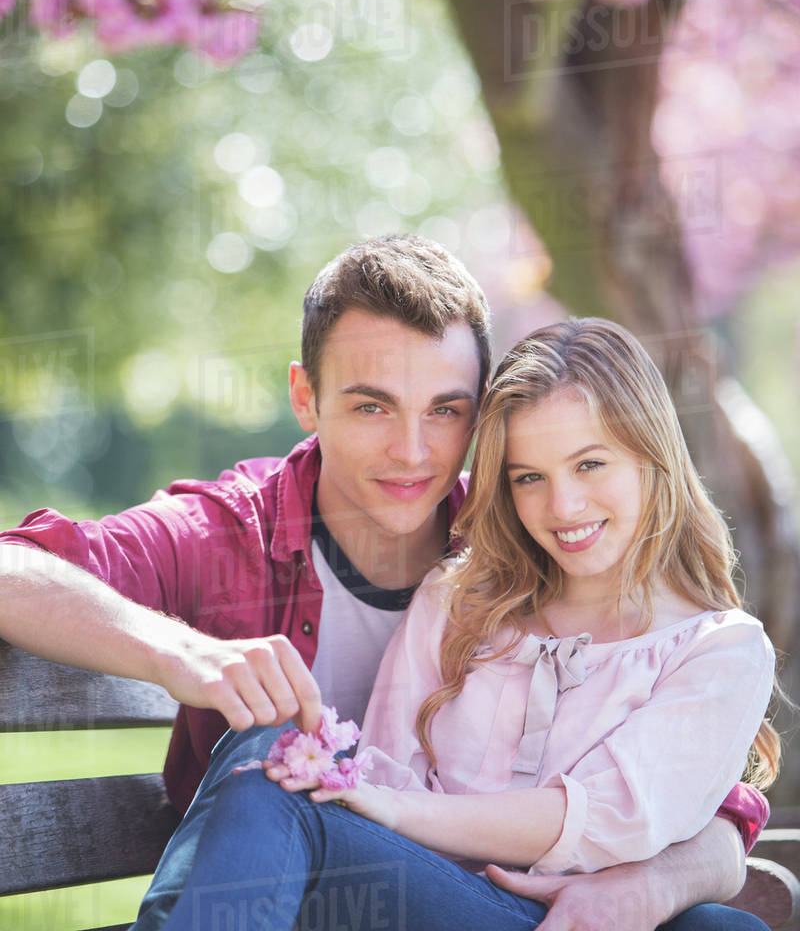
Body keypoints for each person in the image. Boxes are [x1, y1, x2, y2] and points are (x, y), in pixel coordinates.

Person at [0, 239, 766, 929]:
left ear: (481, 422)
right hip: (318, 894)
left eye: (444, 411)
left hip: (476, 894)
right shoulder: (231, 536)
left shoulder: (519, 545)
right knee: (270, 746)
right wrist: (187, 658)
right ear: (306, 397)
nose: (411, 451)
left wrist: (665, 878)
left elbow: (680, 782)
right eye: (372, 406)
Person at [156, 317, 778, 931]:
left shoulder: (719, 649)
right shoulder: (457, 602)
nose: (563, 507)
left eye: (590, 464)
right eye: (529, 477)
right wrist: (382, 804)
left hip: (573, 917)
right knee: (265, 765)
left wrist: (401, 809)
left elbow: (605, 816)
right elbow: (383, 769)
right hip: (428, 903)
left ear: (651, 455)